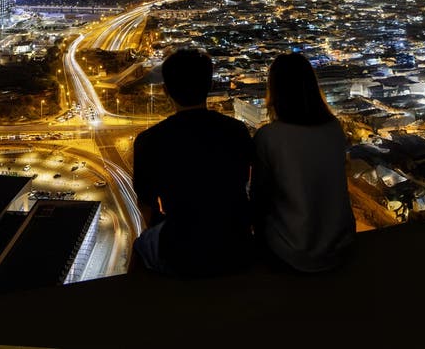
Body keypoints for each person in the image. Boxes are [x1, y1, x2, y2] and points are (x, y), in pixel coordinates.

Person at [132, 48, 254, 276]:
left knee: (140, 247)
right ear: (209, 86)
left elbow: (146, 205)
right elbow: (247, 185)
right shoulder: (236, 131)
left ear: (166, 90)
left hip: (181, 250)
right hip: (236, 244)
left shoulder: (149, 141)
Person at [251, 52, 356, 273]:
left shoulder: (269, 136)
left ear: (275, 90)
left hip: (292, 250)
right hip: (341, 246)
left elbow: (259, 198)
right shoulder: (334, 129)